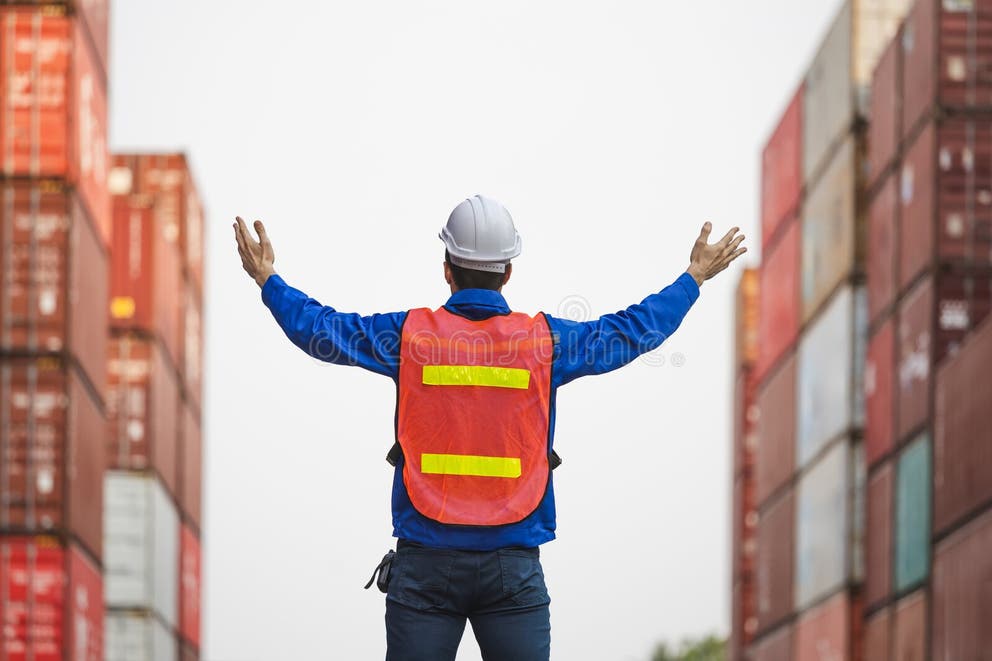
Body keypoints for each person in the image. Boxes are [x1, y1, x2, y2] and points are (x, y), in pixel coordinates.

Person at [233, 195, 745, 661]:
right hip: (512, 569)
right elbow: (631, 332)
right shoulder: (545, 342)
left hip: (425, 565)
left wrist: (269, 281)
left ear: (446, 269)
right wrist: (692, 279)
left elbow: (322, 330)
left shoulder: (409, 336)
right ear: (509, 272)